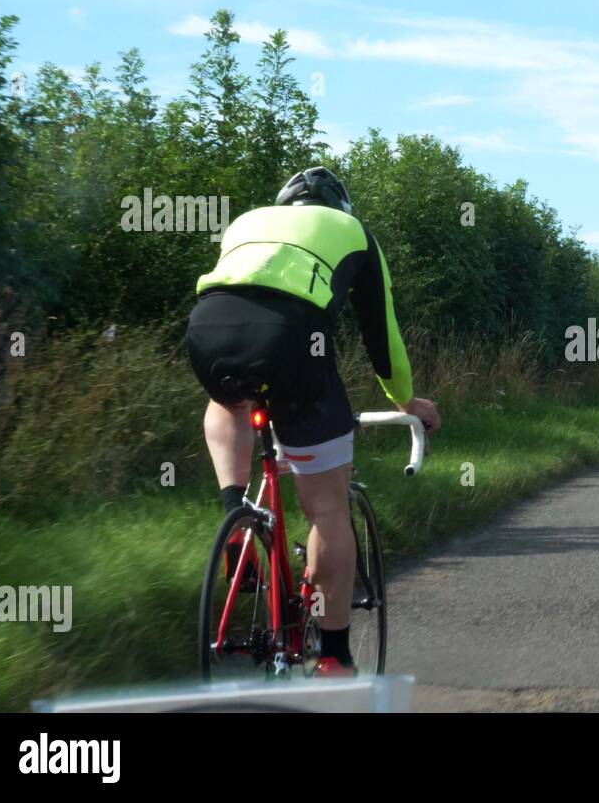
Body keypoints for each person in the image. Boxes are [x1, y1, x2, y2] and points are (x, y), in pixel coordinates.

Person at [186, 166, 440, 676]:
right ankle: (334, 656)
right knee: (327, 511)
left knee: (227, 401)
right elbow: (381, 336)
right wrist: (406, 400)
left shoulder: (247, 221)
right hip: (293, 341)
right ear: (340, 209)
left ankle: (235, 515)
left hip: (208, 330)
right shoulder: (355, 234)